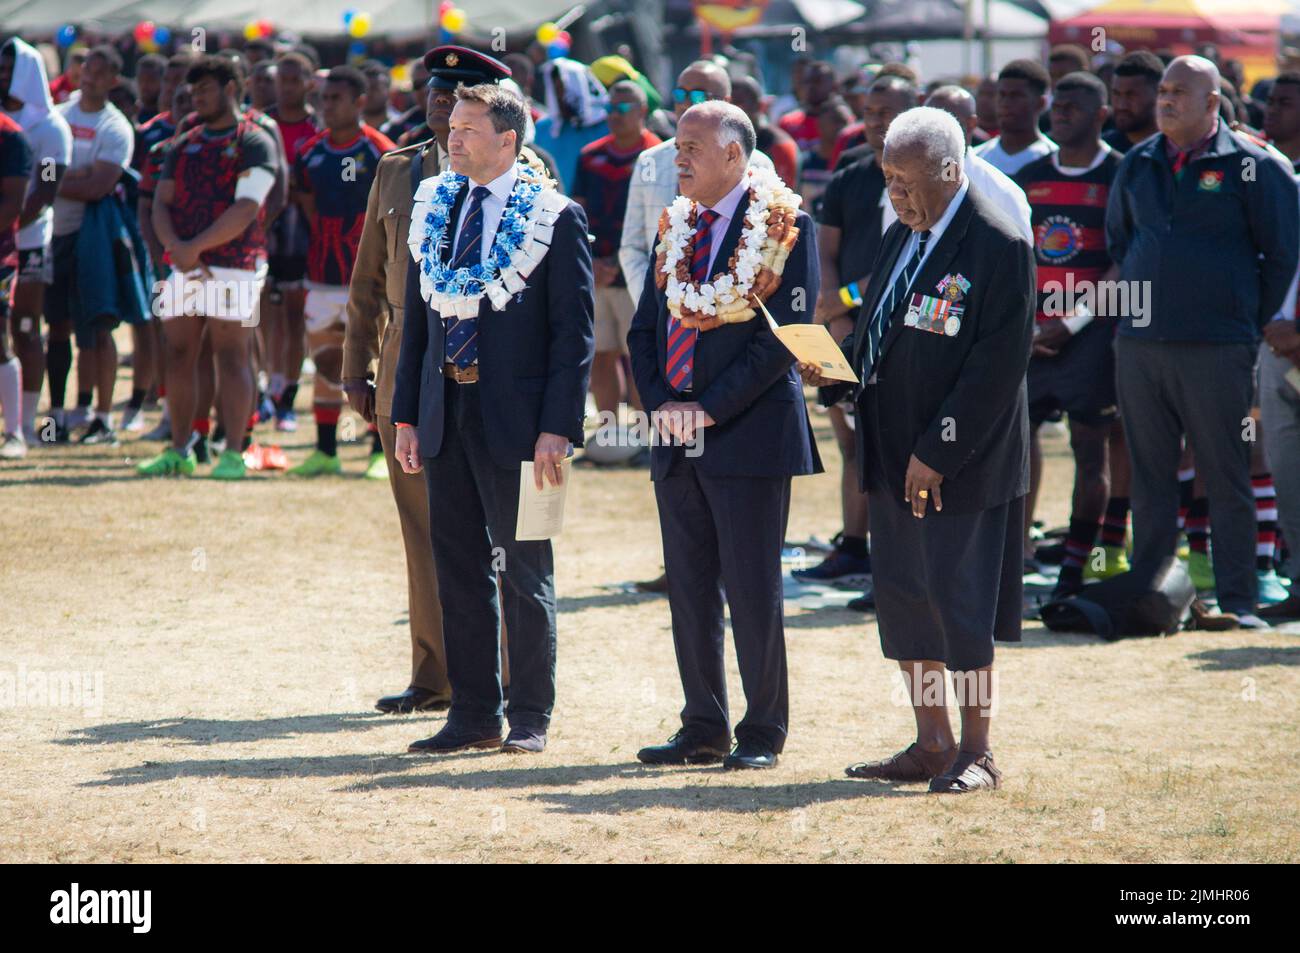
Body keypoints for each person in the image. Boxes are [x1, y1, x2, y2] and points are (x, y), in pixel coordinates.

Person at [803, 107, 1035, 793]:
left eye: (907, 180)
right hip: (890, 453)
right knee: (907, 600)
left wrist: (939, 448)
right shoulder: (904, 237)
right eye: (888, 180)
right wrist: (839, 370)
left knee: (961, 606)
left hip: (958, 461)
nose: (896, 194)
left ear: (950, 170)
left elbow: (997, 364)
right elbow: (890, 332)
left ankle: (978, 749)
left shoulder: (998, 244)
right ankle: (932, 740)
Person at [391, 83, 593, 755]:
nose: (453, 136)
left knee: (524, 568)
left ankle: (530, 713)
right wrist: (406, 417)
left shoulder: (555, 216)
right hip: (445, 407)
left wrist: (558, 427)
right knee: (458, 567)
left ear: (509, 141)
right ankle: (473, 711)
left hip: (522, 422)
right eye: (452, 125)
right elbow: (416, 317)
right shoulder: (438, 205)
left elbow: (574, 335)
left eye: (470, 127)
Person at [629, 101, 821, 770]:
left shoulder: (784, 224)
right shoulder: (675, 221)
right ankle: (701, 724)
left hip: (746, 433)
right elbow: (643, 330)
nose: (676, 156)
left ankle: (763, 730)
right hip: (675, 433)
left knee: (752, 588)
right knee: (688, 586)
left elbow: (782, 343)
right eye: (677, 144)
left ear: (735, 156)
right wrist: (661, 404)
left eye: (691, 146)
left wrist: (706, 407)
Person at [345, 46, 534, 715]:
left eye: (455, 93)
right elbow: (368, 278)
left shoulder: (530, 174)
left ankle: (512, 679)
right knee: (427, 530)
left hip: (497, 373)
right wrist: (354, 369)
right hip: (410, 370)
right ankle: (435, 675)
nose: (436, 101)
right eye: (433, 90)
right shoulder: (397, 170)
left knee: (507, 541)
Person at [1106, 56, 1298, 629]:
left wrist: (1249, 323)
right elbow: (1122, 243)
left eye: (1179, 92)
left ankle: (1238, 598)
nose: (1164, 100)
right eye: (1162, 90)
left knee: (1225, 472)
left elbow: (1284, 256)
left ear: (1213, 103)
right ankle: (1155, 596)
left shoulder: (1255, 167)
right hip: (1140, 345)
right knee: (1151, 475)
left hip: (1221, 347)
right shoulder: (1137, 163)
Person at [800, 73, 917, 592]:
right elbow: (823, 249)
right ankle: (853, 547)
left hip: (897, 333)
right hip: (842, 331)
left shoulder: (925, 179)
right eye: (868, 111)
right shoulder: (849, 175)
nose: (875, 121)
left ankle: (896, 562)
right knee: (850, 442)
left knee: (891, 444)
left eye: (887, 111)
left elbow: (909, 260)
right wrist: (833, 311)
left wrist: (845, 300)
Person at [135, 55, 277, 479]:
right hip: (182, 265)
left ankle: (232, 451)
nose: (195, 98)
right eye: (192, 92)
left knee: (232, 357)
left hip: (234, 266)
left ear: (231, 89)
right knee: (178, 355)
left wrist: (193, 247)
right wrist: (176, 248)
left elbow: (248, 207)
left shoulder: (256, 140)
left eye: (204, 90)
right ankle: (180, 448)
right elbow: (161, 201)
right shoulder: (184, 142)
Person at [1015, 72, 1123, 597]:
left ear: (1101, 115)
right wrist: (1029, 324)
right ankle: (1014, 558)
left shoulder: (1121, 175)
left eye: (1075, 106)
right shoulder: (1030, 177)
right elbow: (1015, 258)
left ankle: (1077, 570)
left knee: (1090, 450)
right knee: (1012, 443)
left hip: (1092, 337)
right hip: (1031, 337)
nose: (1061, 113)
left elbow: (1127, 262)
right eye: (1057, 105)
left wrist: (1070, 321)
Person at [287, 66, 395, 477]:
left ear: (360, 103)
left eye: (336, 99)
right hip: (322, 273)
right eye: (324, 99)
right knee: (327, 357)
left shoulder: (381, 152)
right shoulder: (310, 152)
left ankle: (379, 451)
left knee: (380, 361)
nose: (326, 106)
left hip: (372, 279)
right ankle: (326, 450)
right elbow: (306, 202)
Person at [48, 45, 135, 444]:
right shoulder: (58, 115)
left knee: (99, 329)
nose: (89, 77)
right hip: (52, 237)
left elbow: (99, 186)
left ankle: (102, 416)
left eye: (100, 72)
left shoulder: (114, 127)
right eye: (86, 69)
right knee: (58, 330)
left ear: (113, 80)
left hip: (94, 240)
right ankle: (63, 415)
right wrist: (74, 177)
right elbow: (40, 170)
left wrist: (61, 182)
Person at [570, 80, 660, 421]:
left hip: (639, 274)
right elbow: (577, 216)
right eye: (609, 108)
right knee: (601, 354)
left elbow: (662, 221)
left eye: (623, 109)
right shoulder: (591, 156)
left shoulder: (658, 157)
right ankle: (609, 434)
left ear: (642, 111)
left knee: (639, 355)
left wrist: (619, 268)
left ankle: (644, 437)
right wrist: (590, 263)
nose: (614, 116)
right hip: (596, 274)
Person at [0, 38, 71, 451]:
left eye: (11, 69)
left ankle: (26, 422)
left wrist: (9, 224)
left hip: (27, 242)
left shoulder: (48, 126)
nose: (4, 76)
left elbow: (45, 191)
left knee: (25, 327)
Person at [263, 51, 320, 433]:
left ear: (309, 82)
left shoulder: (318, 127)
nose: (286, 86)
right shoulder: (262, 124)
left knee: (296, 315)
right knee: (265, 312)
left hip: (303, 233)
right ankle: (269, 388)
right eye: (281, 78)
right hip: (261, 230)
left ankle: (287, 397)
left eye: (294, 79)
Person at [0, 109, 33, 457]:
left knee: (1, 336)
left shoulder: (12, 138)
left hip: (1, 254)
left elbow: (13, 204)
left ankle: (14, 433)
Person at [533, 57, 609, 192]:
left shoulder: (605, 126)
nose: (561, 97)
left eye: (566, 89)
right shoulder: (544, 128)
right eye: (556, 90)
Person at [974, 59, 1058, 177]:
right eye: (1002, 95)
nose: (1006, 103)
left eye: (1016, 96)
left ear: (1041, 103)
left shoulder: (1055, 161)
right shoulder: (977, 158)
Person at [731, 75, 798, 190]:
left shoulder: (780, 146)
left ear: (760, 106)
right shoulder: (718, 141)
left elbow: (782, 199)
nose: (732, 110)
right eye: (729, 103)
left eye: (739, 104)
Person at [1104, 51, 1162, 154]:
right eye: (1116, 94)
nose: (1121, 105)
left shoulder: (1174, 151)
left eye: (1131, 95)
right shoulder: (1103, 151)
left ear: (1158, 94)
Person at [777, 59, 836, 152]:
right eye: (807, 81)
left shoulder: (841, 122)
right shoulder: (787, 123)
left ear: (833, 86)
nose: (811, 86)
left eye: (817, 81)